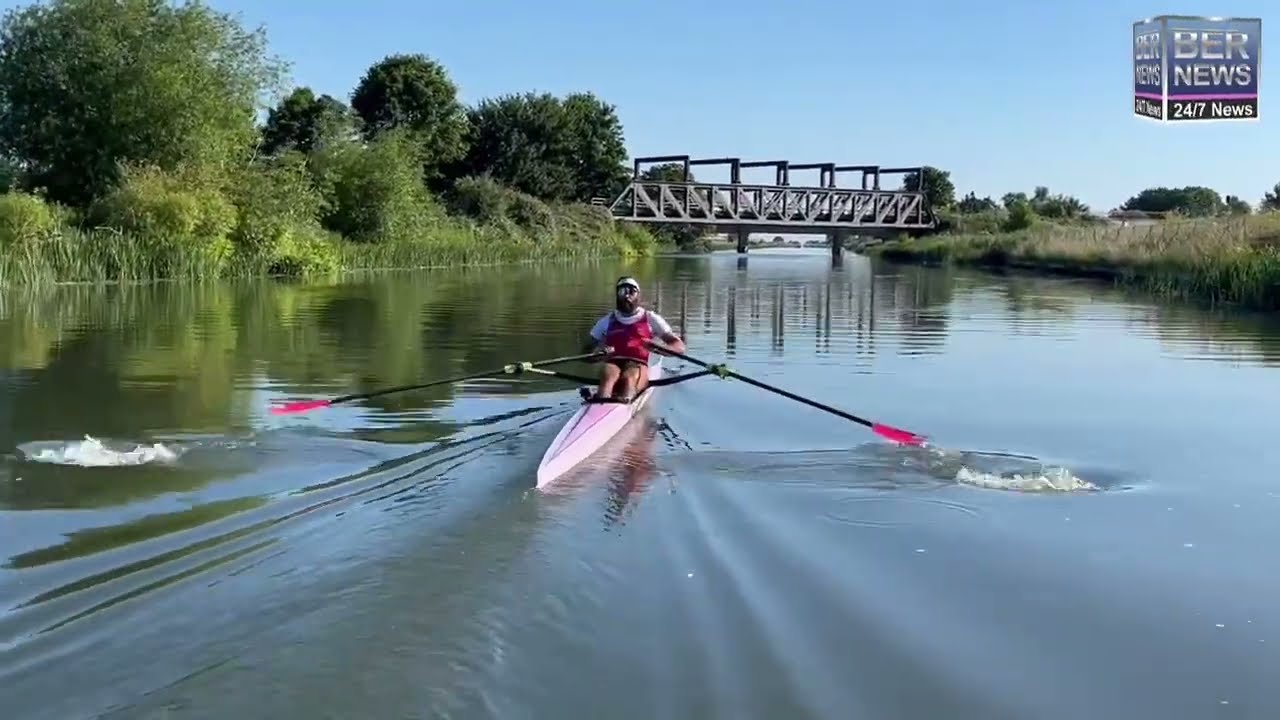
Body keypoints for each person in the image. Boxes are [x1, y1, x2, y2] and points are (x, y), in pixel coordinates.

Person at [583, 276, 686, 402]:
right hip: (614, 362)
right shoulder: (606, 321)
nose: (626, 296)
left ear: (639, 295)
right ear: (616, 296)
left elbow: (679, 347)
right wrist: (600, 355)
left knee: (629, 378)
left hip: (638, 363)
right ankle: (601, 402)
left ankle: (624, 402)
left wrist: (657, 348)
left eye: (631, 292)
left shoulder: (651, 319)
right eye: (622, 292)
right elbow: (585, 353)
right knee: (608, 375)